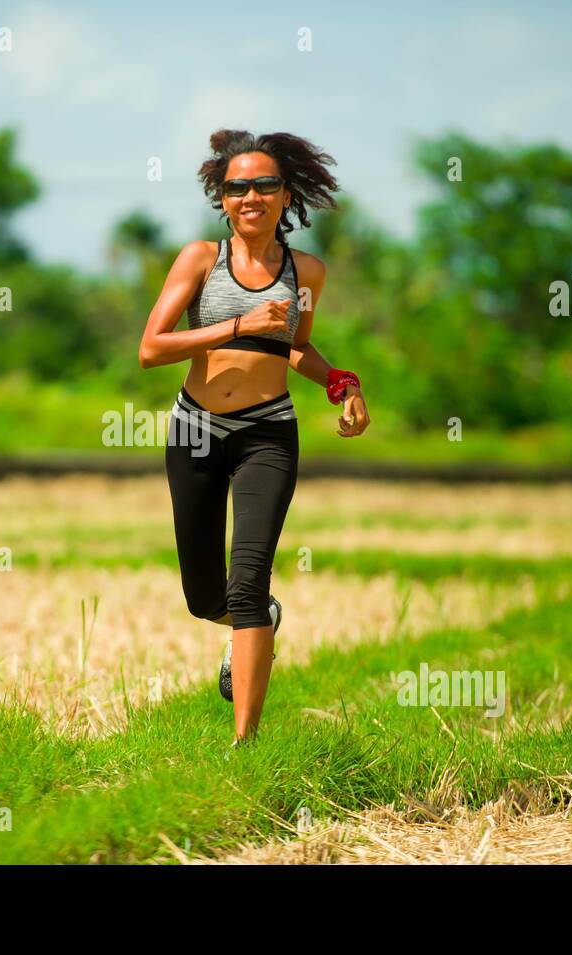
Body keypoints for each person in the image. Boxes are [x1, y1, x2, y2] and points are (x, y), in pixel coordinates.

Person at [138, 129, 370, 749]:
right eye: (237, 186)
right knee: (202, 596)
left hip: (268, 432)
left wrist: (341, 382)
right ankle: (260, 622)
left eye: (264, 184)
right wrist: (237, 323)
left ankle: (244, 747)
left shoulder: (306, 272)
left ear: (285, 195)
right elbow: (150, 349)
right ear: (223, 198)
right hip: (195, 430)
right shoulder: (198, 260)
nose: (251, 196)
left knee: (248, 582)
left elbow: (296, 348)